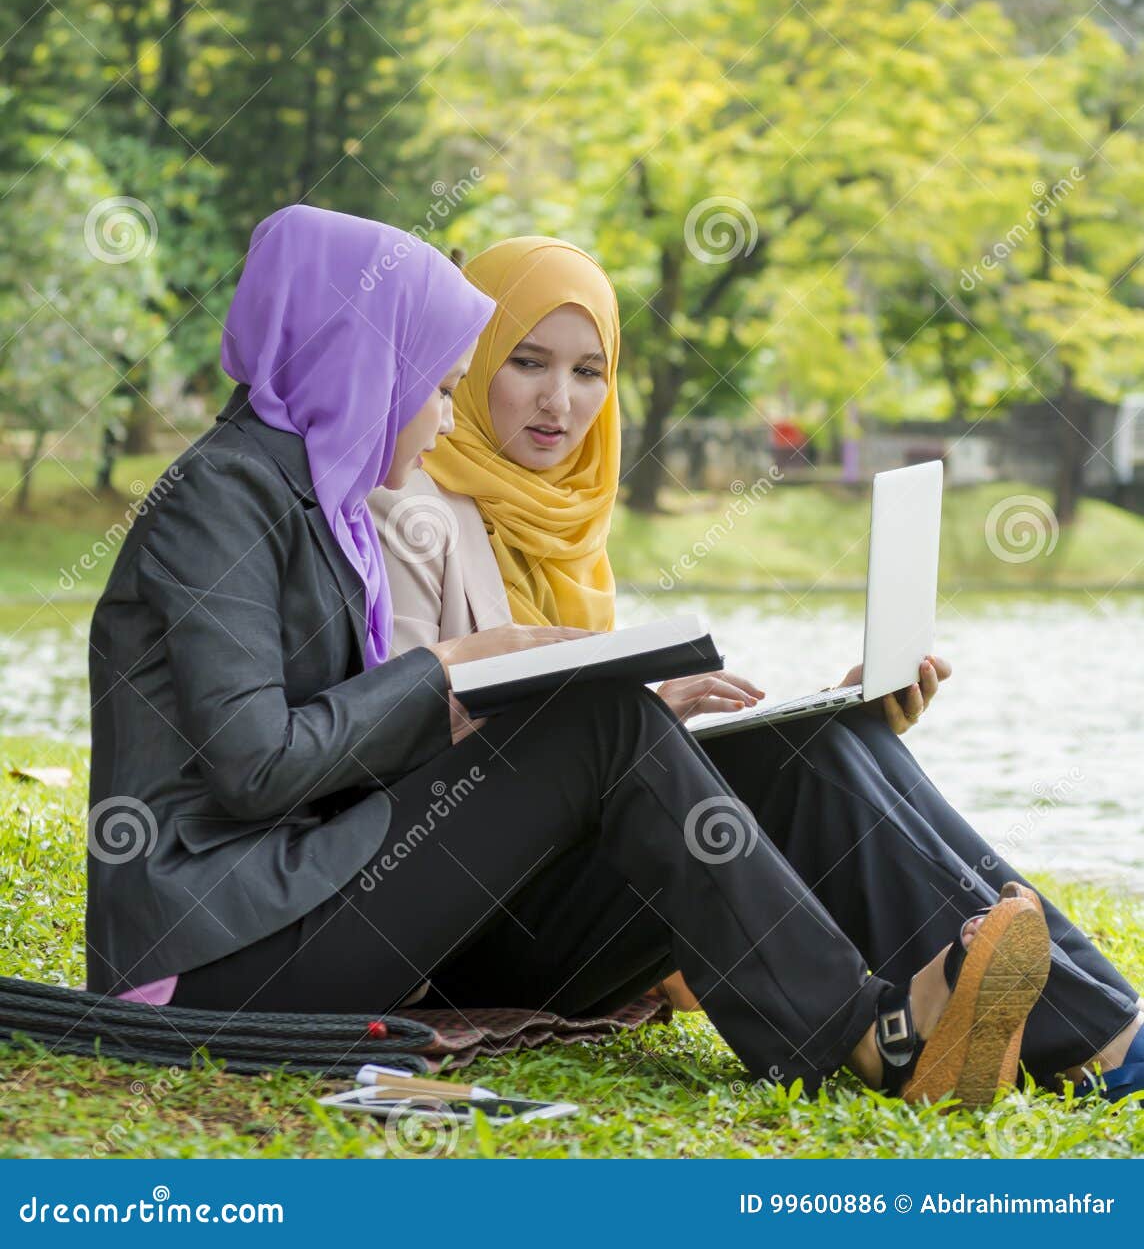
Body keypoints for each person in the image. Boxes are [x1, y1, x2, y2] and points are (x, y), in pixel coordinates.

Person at [84, 205, 1045, 1107]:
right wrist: (456, 666)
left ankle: (1002, 1019)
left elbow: (340, 756)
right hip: (216, 953)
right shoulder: (219, 498)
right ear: (363, 365)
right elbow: (259, 768)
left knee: (704, 746)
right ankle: (859, 1036)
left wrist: (485, 690)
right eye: (440, 383)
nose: (450, 416)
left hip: (313, 906)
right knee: (603, 723)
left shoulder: (315, 501)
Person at [371, 234, 1144, 1100]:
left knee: (822, 739)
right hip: (477, 923)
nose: (561, 400)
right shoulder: (409, 505)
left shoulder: (568, 526)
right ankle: (1041, 1037)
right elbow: (391, 747)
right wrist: (635, 723)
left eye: (590, 371)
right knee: (782, 755)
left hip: (575, 874)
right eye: (526, 362)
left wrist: (689, 727)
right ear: (467, 362)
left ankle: (1104, 1029)